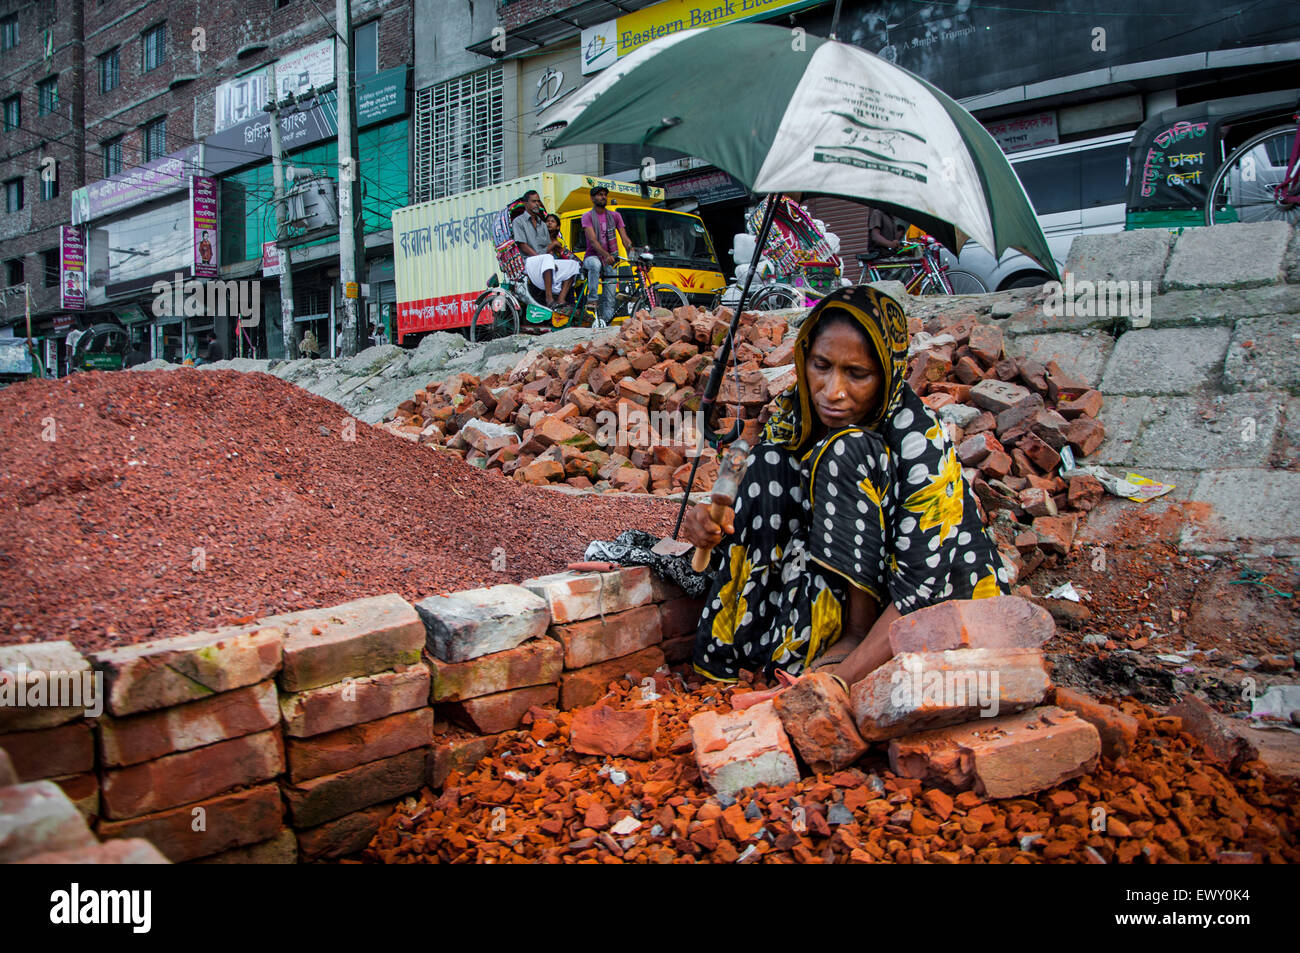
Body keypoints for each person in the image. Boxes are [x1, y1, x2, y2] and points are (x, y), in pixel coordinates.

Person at [681, 285, 1009, 690]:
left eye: (857, 374)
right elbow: (750, 507)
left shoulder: (920, 437)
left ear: (887, 372)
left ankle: (852, 634)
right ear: (804, 358)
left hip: (931, 603)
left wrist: (838, 681)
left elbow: (922, 589)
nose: (832, 392)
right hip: (836, 576)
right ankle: (749, 647)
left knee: (846, 448)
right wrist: (709, 525)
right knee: (768, 462)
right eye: (821, 365)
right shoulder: (795, 412)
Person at [512, 190, 579, 308]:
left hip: (544, 261)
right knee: (547, 258)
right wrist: (542, 258)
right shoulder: (519, 221)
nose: (537, 204)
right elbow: (522, 245)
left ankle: (560, 300)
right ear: (526, 203)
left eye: (538, 201)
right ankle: (549, 298)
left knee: (573, 265)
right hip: (528, 262)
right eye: (534, 201)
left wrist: (550, 259)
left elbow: (548, 247)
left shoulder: (542, 224)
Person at [581, 186, 634, 325]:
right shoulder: (587, 216)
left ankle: (607, 323)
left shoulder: (615, 216)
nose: (603, 197)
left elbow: (624, 238)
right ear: (592, 198)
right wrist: (605, 255)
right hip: (592, 257)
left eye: (604, 194)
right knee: (595, 264)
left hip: (610, 259)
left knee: (610, 297)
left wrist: (631, 251)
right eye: (599, 195)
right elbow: (593, 241)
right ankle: (592, 300)